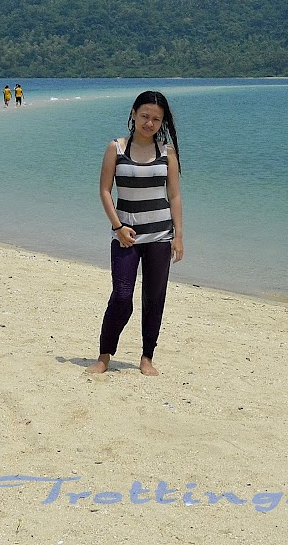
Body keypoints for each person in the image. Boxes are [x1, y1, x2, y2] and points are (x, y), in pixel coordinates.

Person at [88, 90, 183, 376]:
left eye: (156, 119)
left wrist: (178, 235)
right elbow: (105, 190)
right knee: (122, 297)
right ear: (133, 114)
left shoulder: (167, 153)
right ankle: (104, 355)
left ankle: (147, 357)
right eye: (144, 116)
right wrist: (117, 227)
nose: (149, 123)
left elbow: (175, 196)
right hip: (125, 237)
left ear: (162, 122)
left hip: (160, 237)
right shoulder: (116, 148)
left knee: (155, 298)